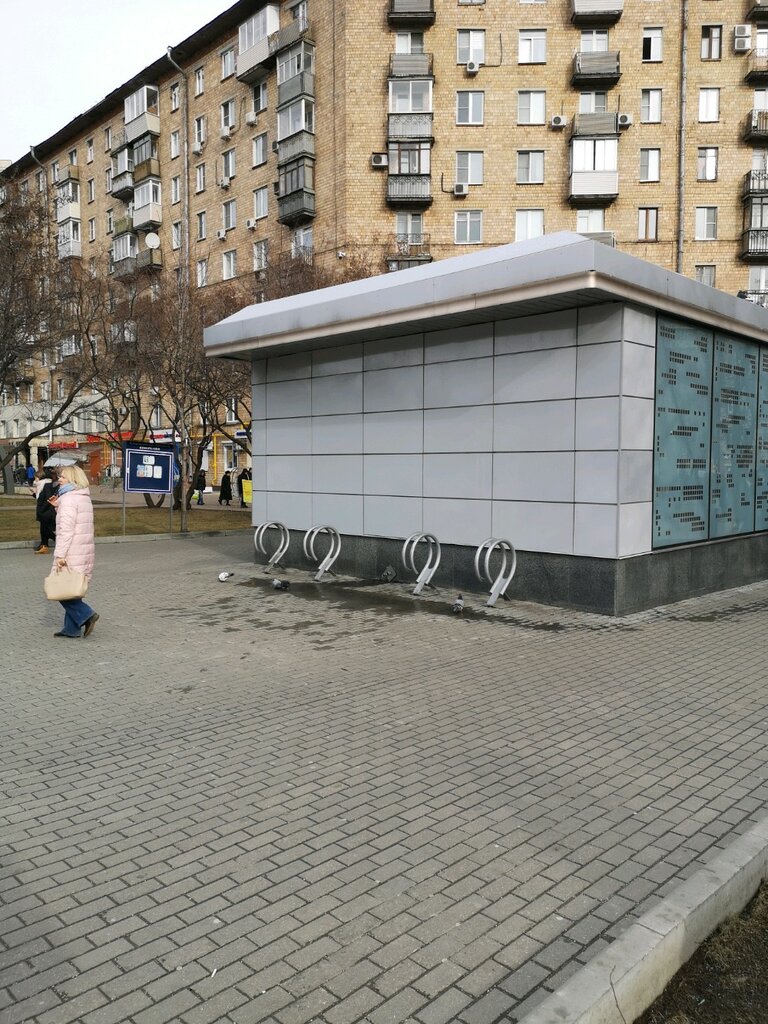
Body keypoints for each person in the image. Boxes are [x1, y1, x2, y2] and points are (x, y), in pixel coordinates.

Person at [50, 465, 98, 639]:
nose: (59, 479)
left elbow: (66, 530)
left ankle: (86, 614)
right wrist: (58, 507)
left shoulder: (69, 499)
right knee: (71, 588)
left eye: (63, 477)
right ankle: (71, 629)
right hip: (83, 548)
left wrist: (60, 555)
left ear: (72, 478)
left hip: (71, 551)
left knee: (61, 589)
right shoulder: (81, 497)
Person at [34, 470, 58, 554]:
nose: (35, 480)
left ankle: (57, 540)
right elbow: (41, 497)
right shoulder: (43, 484)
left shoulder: (45, 485)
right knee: (43, 530)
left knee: (45, 530)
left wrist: (41, 510)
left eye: (36, 478)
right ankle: (44, 545)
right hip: (45, 511)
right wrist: (34, 494)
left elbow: (47, 498)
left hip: (46, 511)